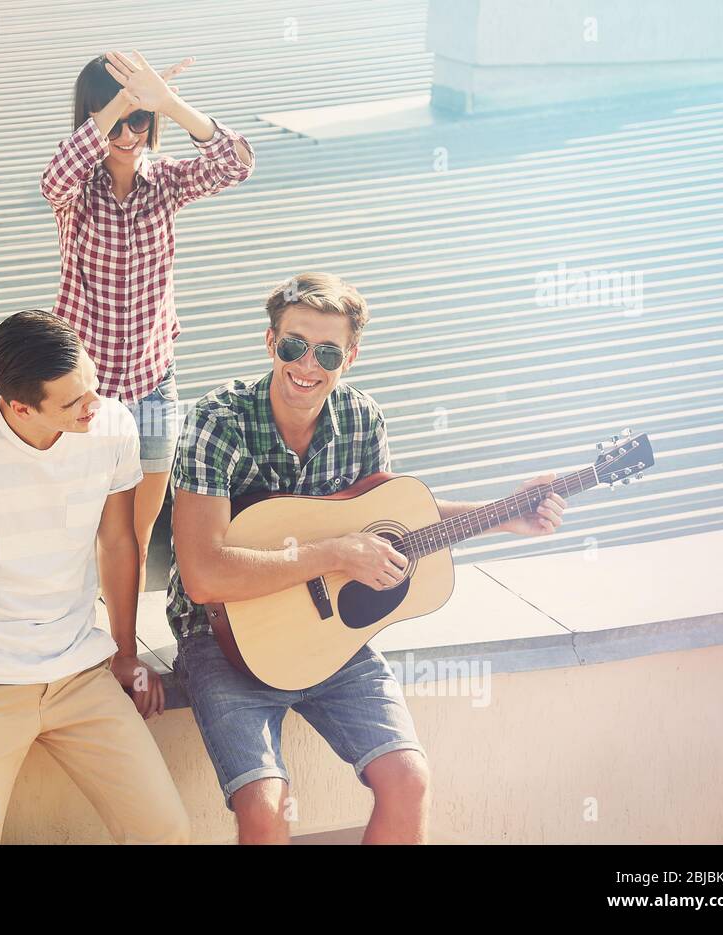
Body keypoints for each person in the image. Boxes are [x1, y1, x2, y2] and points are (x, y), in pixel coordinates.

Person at [168, 272, 568, 844]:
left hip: (327, 633)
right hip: (222, 636)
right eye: (293, 345)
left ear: (349, 357)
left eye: (328, 351)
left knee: (407, 778)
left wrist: (504, 512)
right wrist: (334, 552)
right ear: (270, 342)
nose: (307, 365)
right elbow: (204, 576)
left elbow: (391, 521)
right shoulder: (216, 421)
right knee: (265, 805)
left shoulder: (361, 419)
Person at [0, 310, 189, 844]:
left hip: (79, 671)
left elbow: (117, 543)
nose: (94, 405)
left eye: (91, 386)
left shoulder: (111, 424)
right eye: (72, 402)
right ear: (19, 406)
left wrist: (127, 653)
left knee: (165, 831)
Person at [41, 50, 254, 589]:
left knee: (135, 537)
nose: (129, 131)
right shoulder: (77, 193)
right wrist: (118, 104)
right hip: (84, 392)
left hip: (154, 386)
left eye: (140, 119)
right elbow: (53, 178)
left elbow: (237, 163)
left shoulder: (166, 183)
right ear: (94, 118)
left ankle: (122, 646)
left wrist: (169, 102)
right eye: (117, 118)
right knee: (74, 530)